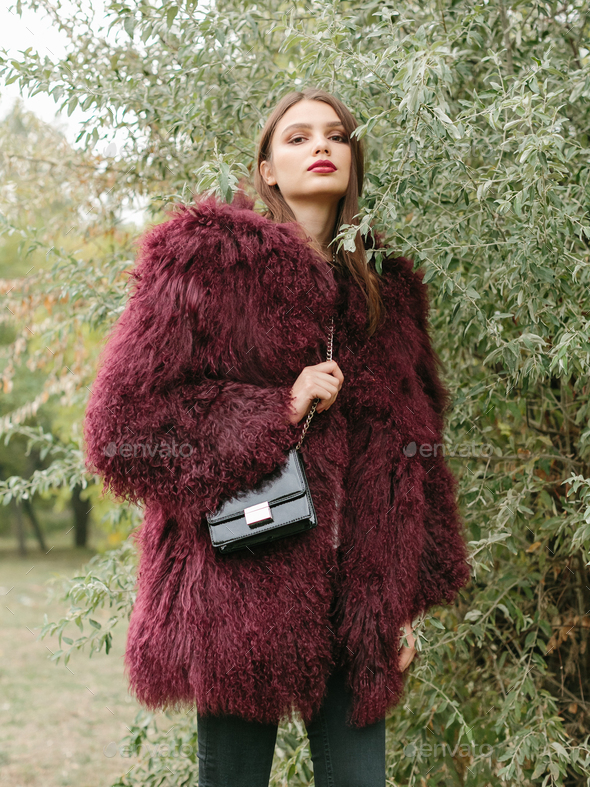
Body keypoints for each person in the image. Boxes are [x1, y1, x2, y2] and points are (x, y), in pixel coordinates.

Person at [83, 87, 471, 787]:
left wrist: (403, 600)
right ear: (264, 168)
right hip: (237, 587)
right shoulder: (207, 262)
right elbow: (123, 425)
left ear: (355, 158)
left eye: (336, 135)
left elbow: (418, 455)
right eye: (296, 137)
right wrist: (276, 410)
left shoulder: (390, 291)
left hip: (357, 603)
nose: (320, 146)